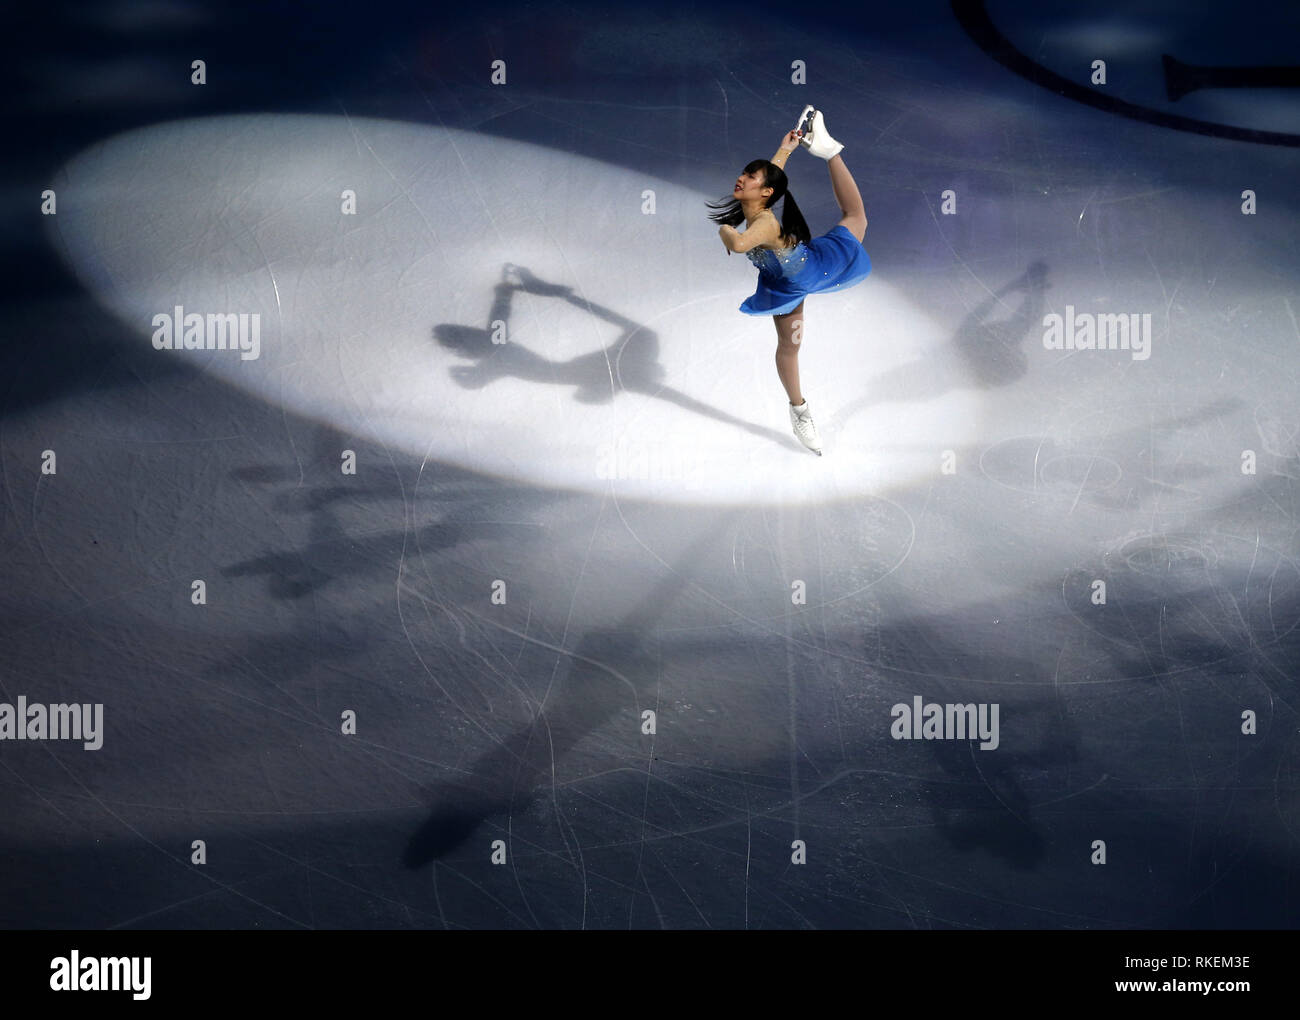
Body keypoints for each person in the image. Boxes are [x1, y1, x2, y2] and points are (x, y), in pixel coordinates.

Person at [708, 107, 871, 455]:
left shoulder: (764, 223)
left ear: (765, 192)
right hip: (781, 285)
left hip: (815, 267)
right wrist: (785, 150)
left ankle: (830, 151)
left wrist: (724, 229)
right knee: (790, 347)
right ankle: (800, 411)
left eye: (750, 177)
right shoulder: (758, 202)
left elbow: (738, 244)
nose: (741, 178)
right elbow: (773, 180)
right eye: (745, 173)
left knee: (856, 217)